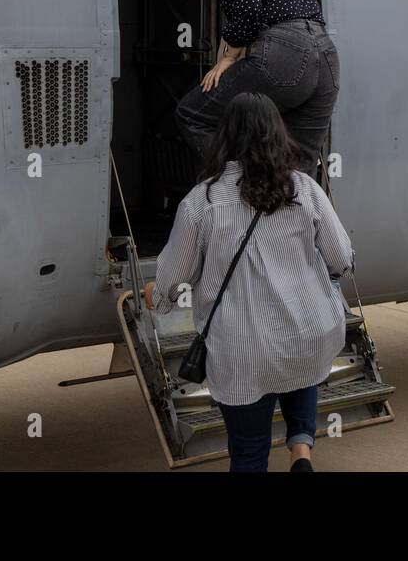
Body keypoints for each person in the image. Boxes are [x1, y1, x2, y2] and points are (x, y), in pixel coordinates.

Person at [145, 92, 353, 472]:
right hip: (308, 334)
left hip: (242, 351)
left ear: (225, 137)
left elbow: (173, 279)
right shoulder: (304, 189)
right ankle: (302, 448)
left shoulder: (201, 201)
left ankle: (283, 453)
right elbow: (341, 259)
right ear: (278, 134)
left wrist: (157, 298)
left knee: (248, 453)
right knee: (298, 356)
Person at [174, 0, 339, 175]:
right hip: (326, 60)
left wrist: (229, 56)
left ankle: (235, 190)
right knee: (299, 165)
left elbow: (248, 6)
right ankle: (290, 217)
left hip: (286, 52)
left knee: (191, 115)